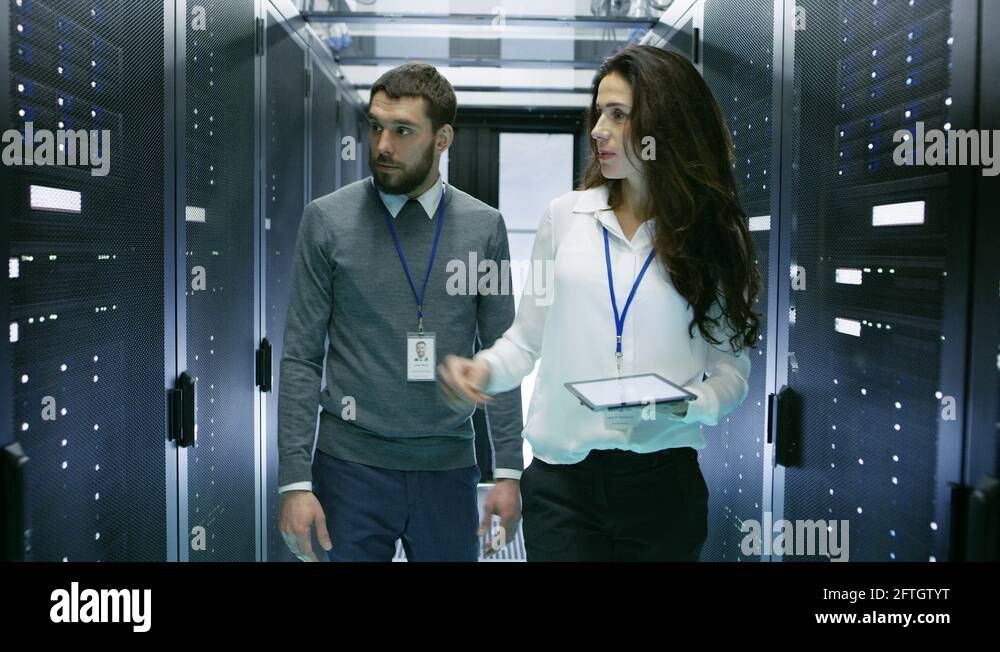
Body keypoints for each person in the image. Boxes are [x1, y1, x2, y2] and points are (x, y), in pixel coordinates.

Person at [439, 46, 762, 561]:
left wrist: (691, 403)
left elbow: (731, 370)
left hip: (663, 488)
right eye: (598, 112)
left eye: (618, 115)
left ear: (665, 124)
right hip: (563, 486)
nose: (597, 129)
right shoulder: (564, 217)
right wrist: (482, 370)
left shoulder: (713, 235)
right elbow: (525, 340)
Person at [277, 63, 523, 562]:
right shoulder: (326, 220)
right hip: (349, 470)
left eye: (403, 130)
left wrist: (509, 471)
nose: (383, 144)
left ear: (442, 139)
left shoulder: (484, 228)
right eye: (375, 126)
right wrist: (295, 481)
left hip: (448, 470)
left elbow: (505, 350)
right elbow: (301, 355)